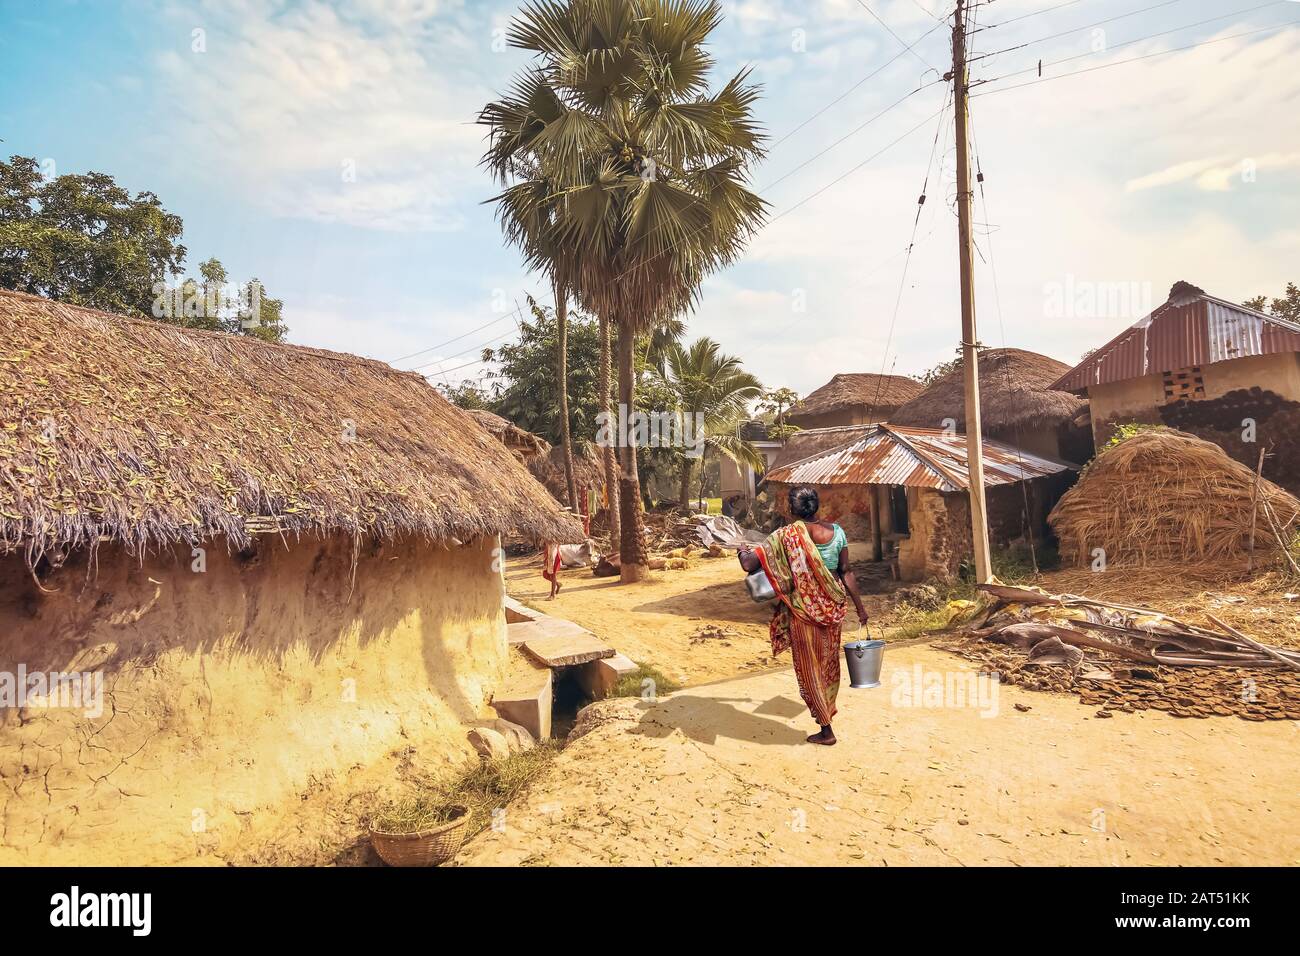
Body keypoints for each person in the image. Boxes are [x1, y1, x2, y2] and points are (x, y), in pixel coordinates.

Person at [738, 486, 869, 746]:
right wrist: (861, 608)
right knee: (828, 664)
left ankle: (826, 728)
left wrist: (742, 550)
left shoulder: (785, 536)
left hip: (804, 611)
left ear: (791, 509)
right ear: (816, 506)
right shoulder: (838, 532)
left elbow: (749, 565)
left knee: (809, 668)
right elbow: (846, 571)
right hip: (834, 607)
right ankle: (827, 710)